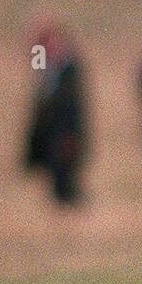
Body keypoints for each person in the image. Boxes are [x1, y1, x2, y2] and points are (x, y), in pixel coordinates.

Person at [23, 19, 89, 207]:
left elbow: (73, 106)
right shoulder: (49, 70)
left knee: (66, 181)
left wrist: (72, 135)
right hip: (51, 133)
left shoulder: (69, 69)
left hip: (66, 132)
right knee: (57, 181)